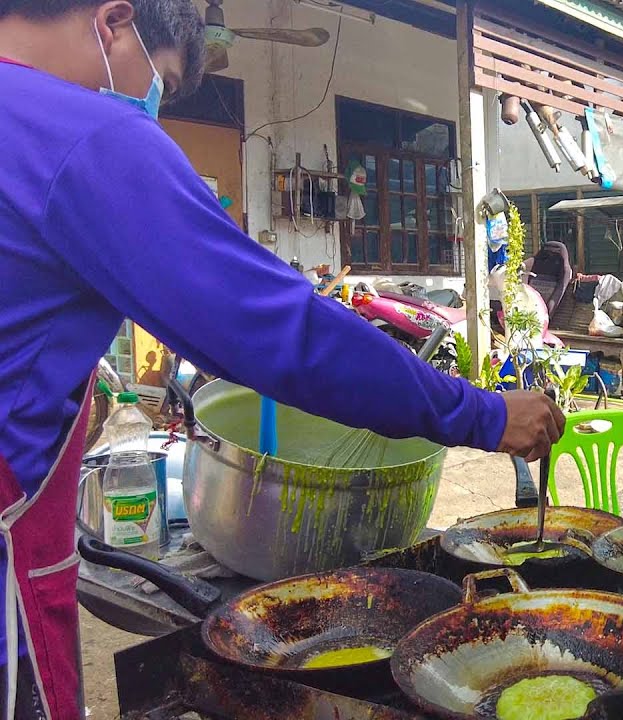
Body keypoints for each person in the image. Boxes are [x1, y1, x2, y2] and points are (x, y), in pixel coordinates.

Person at [0, 2, 564, 716]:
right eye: (162, 81)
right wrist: (481, 411)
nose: (151, 106)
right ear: (114, 21)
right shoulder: (87, 137)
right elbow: (279, 333)